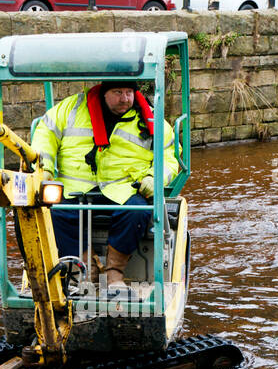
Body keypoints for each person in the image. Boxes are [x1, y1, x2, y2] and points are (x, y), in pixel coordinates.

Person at [31, 80, 178, 292]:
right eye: (118, 92)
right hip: (75, 188)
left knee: (137, 211)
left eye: (129, 92)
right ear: (103, 92)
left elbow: (170, 157)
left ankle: (114, 273)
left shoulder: (151, 119)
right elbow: (44, 136)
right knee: (53, 210)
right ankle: (82, 272)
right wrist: (43, 169)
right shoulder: (69, 109)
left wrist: (153, 179)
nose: (126, 99)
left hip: (124, 188)